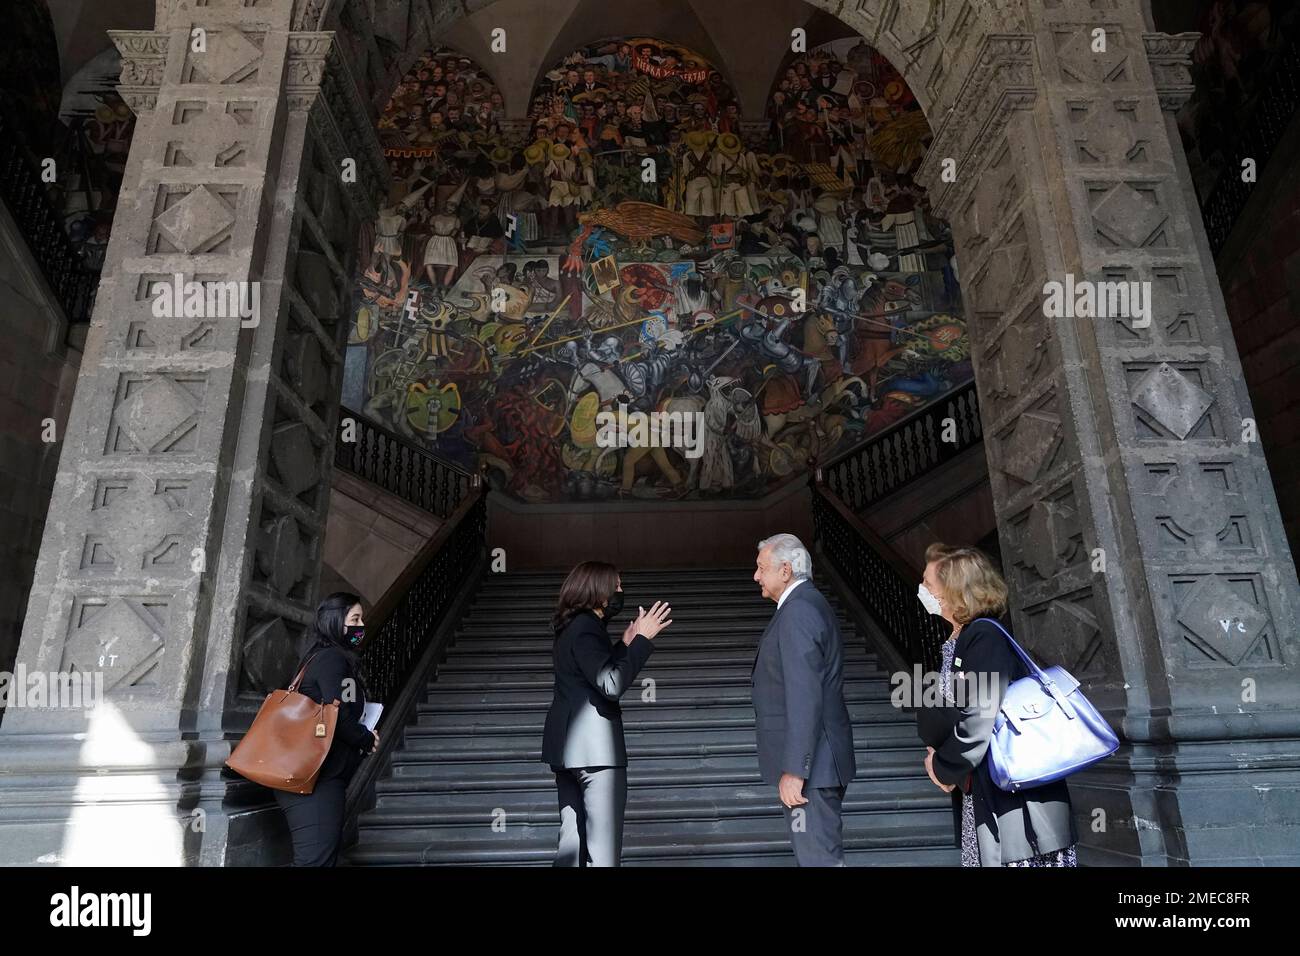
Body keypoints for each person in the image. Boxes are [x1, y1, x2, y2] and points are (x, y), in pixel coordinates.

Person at [916, 543, 1079, 867]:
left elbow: (979, 717)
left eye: (928, 583)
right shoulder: (962, 639)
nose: (923, 590)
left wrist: (942, 766)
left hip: (1015, 807)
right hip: (988, 794)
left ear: (955, 591)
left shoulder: (984, 637)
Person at [541, 562, 672, 866]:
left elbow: (590, 674)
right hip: (595, 755)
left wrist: (624, 645)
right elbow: (610, 684)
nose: (620, 592)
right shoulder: (587, 627)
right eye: (617, 586)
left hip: (568, 754)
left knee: (571, 849)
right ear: (598, 591)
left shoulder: (573, 627)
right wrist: (643, 640)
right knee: (602, 855)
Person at [751, 534, 856, 865]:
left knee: (818, 860)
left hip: (813, 770)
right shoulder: (807, 604)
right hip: (819, 765)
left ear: (785, 570)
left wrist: (796, 769)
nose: (756, 576)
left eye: (761, 568)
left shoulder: (798, 611)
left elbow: (804, 693)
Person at [275, 592, 378, 866]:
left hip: (318, 775)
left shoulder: (328, 658)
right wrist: (366, 738)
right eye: (354, 619)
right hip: (314, 778)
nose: (361, 626)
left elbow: (340, 709)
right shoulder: (332, 659)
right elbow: (338, 714)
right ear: (334, 621)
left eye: (362, 620)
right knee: (315, 862)